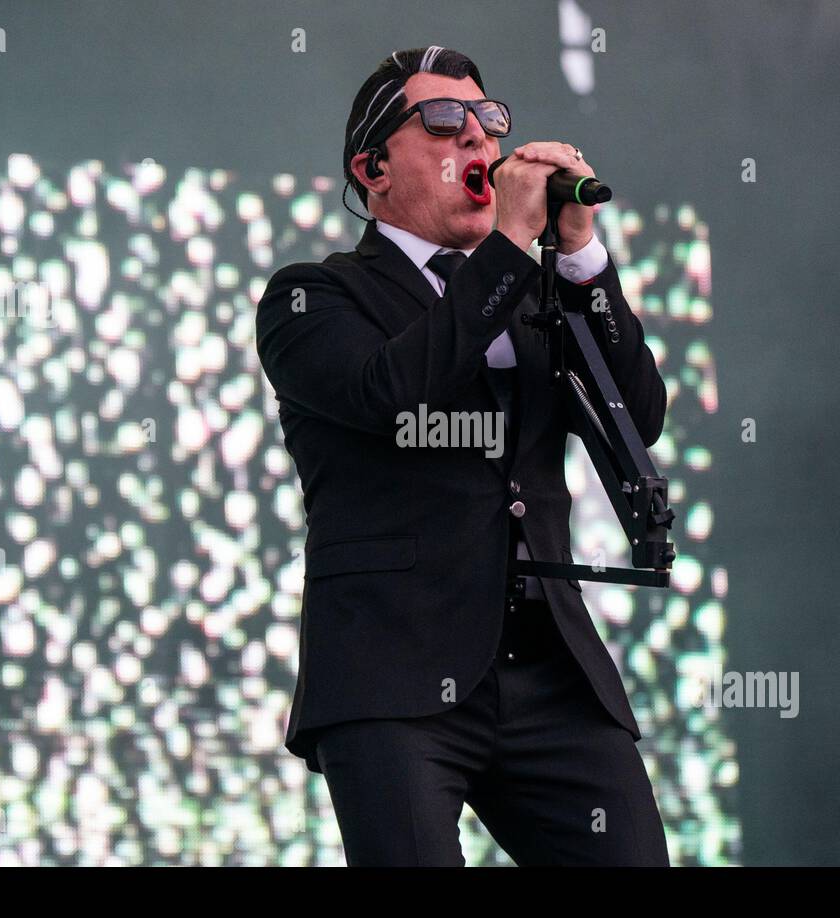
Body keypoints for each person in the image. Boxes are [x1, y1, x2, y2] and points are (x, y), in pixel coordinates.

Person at [255, 45, 670, 865]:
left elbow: (639, 417)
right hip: (394, 674)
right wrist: (511, 249)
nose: (477, 140)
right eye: (443, 122)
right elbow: (395, 392)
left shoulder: (530, 292)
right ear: (371, 169)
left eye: (490, 122)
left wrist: (582, 261)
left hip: (549, 670)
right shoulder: (314, 296)